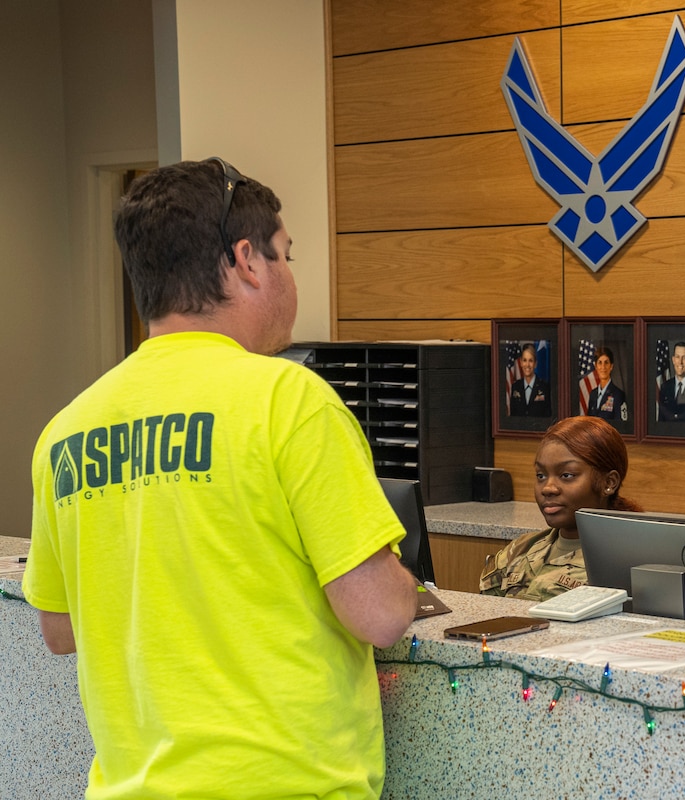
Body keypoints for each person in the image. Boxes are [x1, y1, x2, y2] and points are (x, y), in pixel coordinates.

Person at [21, 159, 418, 798]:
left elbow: (60, 630)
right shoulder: (290, 400)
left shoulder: (66, 431)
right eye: (285, 255)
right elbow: (380, 615)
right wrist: (401, 577)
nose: (289, 275)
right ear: (247, 260)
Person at [480, 416, 641, 600]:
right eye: (541, 475)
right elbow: (484, 613)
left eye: (566, 475)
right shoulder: (520, 550)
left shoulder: (624, 563)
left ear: (608, 483)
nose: (548, 488)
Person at [585, 346, 628, 422]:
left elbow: (621, 424)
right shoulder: (593, 394)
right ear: (596, 366)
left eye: (606, 362)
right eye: (600, 363)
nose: (603, 367)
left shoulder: (618, 395)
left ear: (611, 366)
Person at [509, 342, 553, 416]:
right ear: (521, 363)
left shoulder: (544, 387)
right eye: (525, 360)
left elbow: (548, 414)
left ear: (535, 364)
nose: (527, 365)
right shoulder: (516, 387)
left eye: (531, 361)